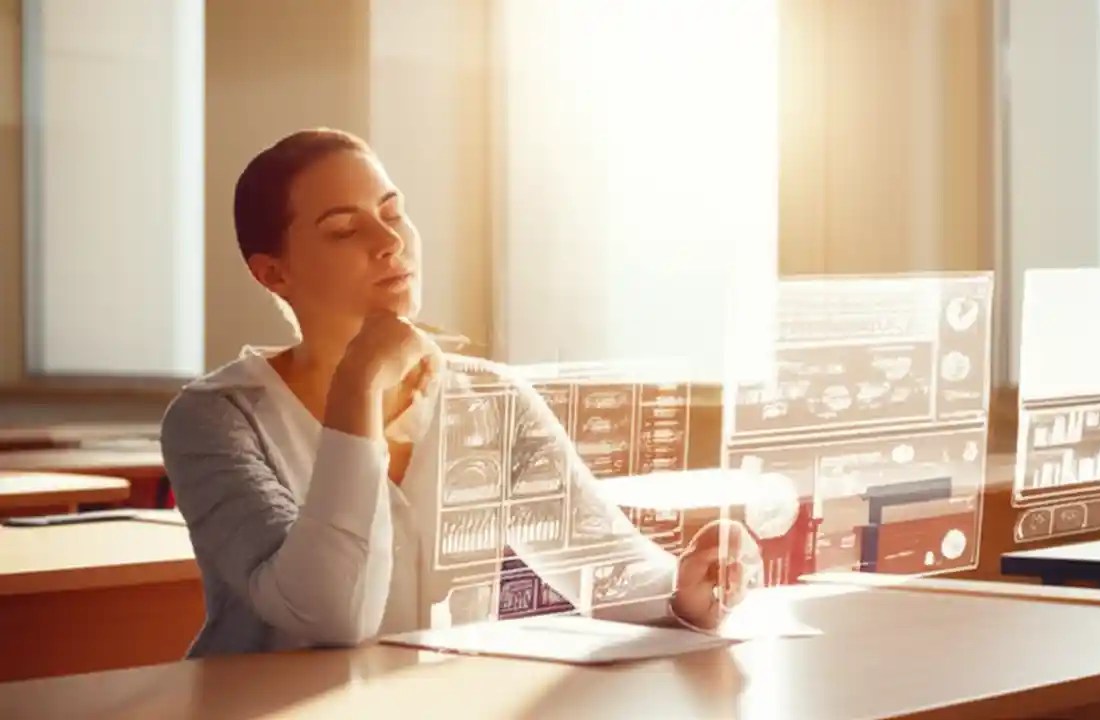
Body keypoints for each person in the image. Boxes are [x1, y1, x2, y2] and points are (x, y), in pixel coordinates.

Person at [160, 128, 759, 657]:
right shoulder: (216, 418)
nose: (387, 241)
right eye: (344, 229)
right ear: (274, 273)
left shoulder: (493, 399)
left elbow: (601, 566)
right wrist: (358, 387)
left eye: (392, 214)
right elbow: (329, 616)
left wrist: (687, 589)